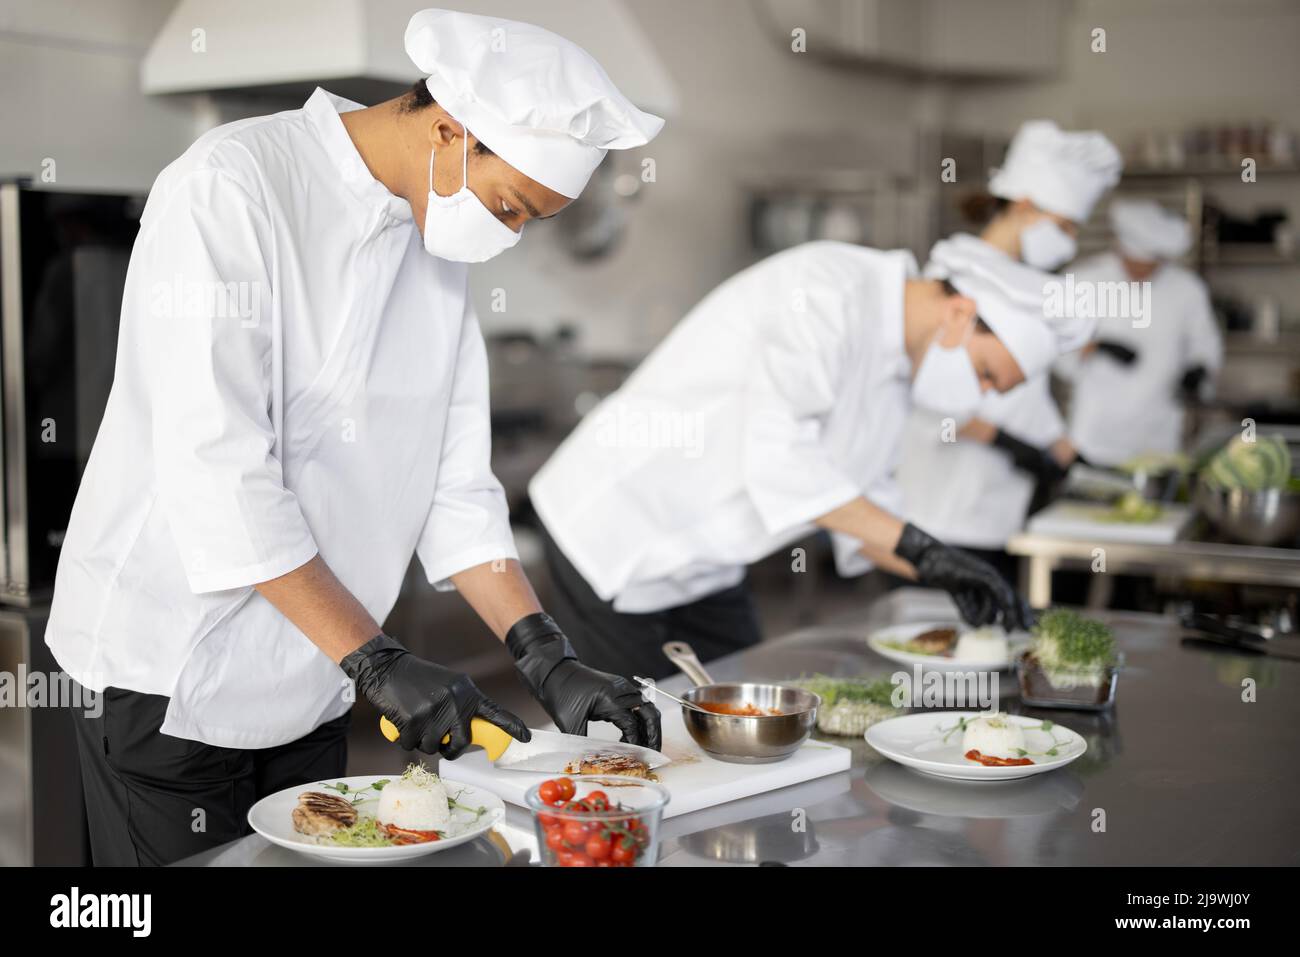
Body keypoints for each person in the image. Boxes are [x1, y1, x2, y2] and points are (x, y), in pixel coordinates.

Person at [46, 8, 663, 866]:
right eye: (511, 206)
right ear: (451, 130)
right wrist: (377, 660)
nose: (512, 234)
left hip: (316, 678)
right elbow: (220, 474)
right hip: (174, 673)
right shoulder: (232, 186)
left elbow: (455, 487)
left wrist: (545, 654)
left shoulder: (435, 250)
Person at [529, 237, 1095, 680]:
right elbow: (781, 458)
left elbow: (864, 512)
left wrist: (957, 575)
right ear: (961, 314)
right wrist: (925, 551)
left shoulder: (902, 372)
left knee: (738, 713)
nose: (984, 396)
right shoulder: (826, 291)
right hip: (616, 527)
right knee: (636, 743)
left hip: (706, 559)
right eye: (987, 374)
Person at [897, 121, 1123, 579]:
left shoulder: (1019, 286)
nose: (1069, 241)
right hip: (945, 503)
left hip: (996, 502)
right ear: (1025, 206)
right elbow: (938, 399)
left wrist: (1063, 451)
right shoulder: (955, 275)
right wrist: (1009, 442)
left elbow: (1024, 392)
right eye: (1064, 226)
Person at [1058, 198, 1223, 466]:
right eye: (1136, 264)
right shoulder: (1081, 281)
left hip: (1158, 430)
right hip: (1095, 432)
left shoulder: (1187, 289)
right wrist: (1097, 347)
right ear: (1120, 249)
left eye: (1152, 265)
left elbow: (1206, 344)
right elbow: (1053, 348)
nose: (1143, 272)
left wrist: (1198, 371)